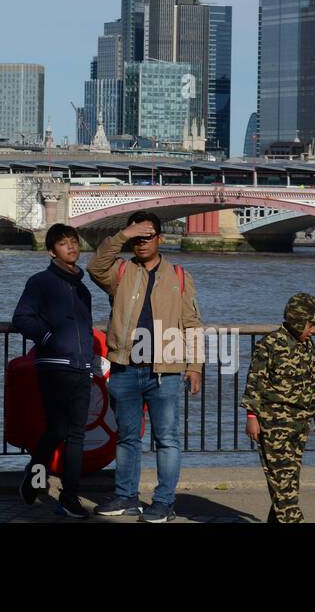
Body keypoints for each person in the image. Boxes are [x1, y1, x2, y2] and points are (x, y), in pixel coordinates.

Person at [87, 211, 202, 523]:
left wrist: (195, 366)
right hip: (125, 367)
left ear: (160, 239)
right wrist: (123, 235)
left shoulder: (179, 276)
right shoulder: (121, 272)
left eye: (146, 236)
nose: (140, 242)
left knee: (167, 439)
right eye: (136, 237)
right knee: (126, 437)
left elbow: (192, 324)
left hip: (165, 371)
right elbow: (94, 266)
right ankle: (126, 497)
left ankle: (164, 502)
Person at [12, 223, 96, 519]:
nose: (71, 247)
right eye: (63, 243)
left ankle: (69, 496)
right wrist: (48, 339)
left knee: (76, 436)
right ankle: (34, 478)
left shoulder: (83, 289)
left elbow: (84, 329)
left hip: (81, 367)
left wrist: (91, 361)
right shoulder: (40, 282)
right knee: (57, 430)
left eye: (74, 242)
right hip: (54, 368)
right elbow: (21, 318)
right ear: (51, 251)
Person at [242, 293, 315, 523]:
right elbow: (254, 383)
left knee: (290, 479)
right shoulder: (269, 345)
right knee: (282, 481)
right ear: (298, 321)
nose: (314, 330)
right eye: (311, 325)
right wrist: (252, 416)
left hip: (300, 423)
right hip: (274, 425)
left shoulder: (308, 346)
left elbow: (313, 382)